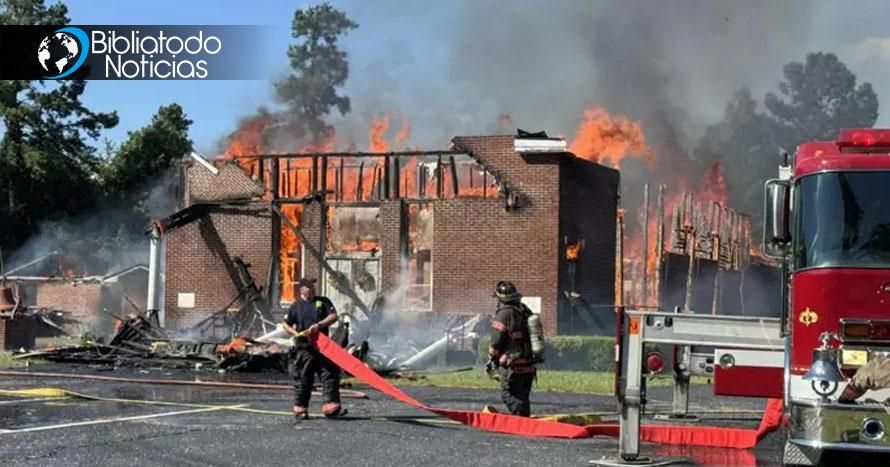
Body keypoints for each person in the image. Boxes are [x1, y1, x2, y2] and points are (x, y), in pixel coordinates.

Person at [282, 277, 346, 419]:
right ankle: (301, 408)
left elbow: (333, 316)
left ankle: (331, 406)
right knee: (303, 377)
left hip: (323, 347)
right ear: (302, 289)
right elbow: (285, 324)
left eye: (313, 286)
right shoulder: (295, 306)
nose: (312, 289)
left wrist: (320, 325)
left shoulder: (323, 302)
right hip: (304, 347)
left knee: (330, 373)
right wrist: (296, 333)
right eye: (309, 286)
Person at [487, 281, 537, 417]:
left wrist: (492, 358)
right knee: (522, 396)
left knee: (510, 395)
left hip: (512, 365)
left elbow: (496, 341)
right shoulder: (525, 311)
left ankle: (521, 423)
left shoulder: (504, 314)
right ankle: (524, 420)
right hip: (528, 363)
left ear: (500, 299)